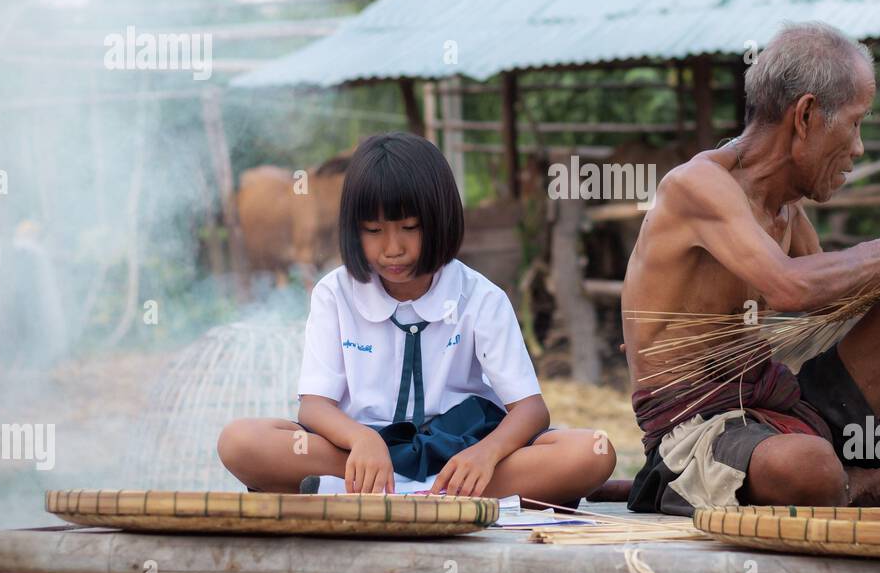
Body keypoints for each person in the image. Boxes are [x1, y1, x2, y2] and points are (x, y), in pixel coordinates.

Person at [619, 21, 880, 516]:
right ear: (806, 117)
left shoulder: (786, 212)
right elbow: (792, 288)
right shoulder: (697, 186)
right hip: (697, 434)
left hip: (778, 410)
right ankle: (861, 483)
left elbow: (835, 303)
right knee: (810, 468)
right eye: (856, 122)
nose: (858, 148)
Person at [218, 132, 616, 507]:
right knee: (241, 441)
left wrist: (486, 454)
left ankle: (391, 493)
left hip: (462, 455)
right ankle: (421, 492)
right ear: (352, 232)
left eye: (410, 228)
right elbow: (314, 408)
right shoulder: (333, 293)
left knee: (592, 453)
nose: (393, 248)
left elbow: (531, 411)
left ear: (441, 220)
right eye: (373, 230)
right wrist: (362, 442)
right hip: (356, 454)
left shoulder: (482, 297)